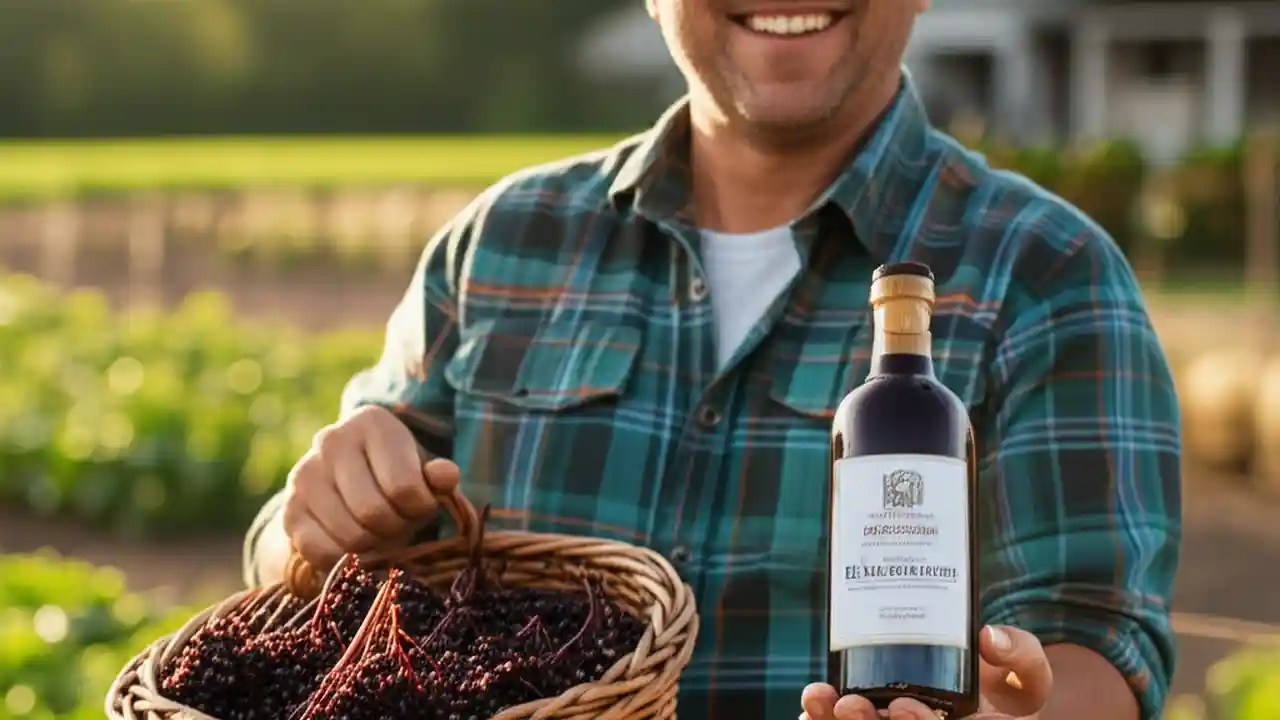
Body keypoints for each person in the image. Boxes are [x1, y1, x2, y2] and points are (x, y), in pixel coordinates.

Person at [242, 1, 1183, 719]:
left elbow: (1096, 644)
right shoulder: (499, 245)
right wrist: (312, 525)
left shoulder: (1048, 275)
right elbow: (299, 560)